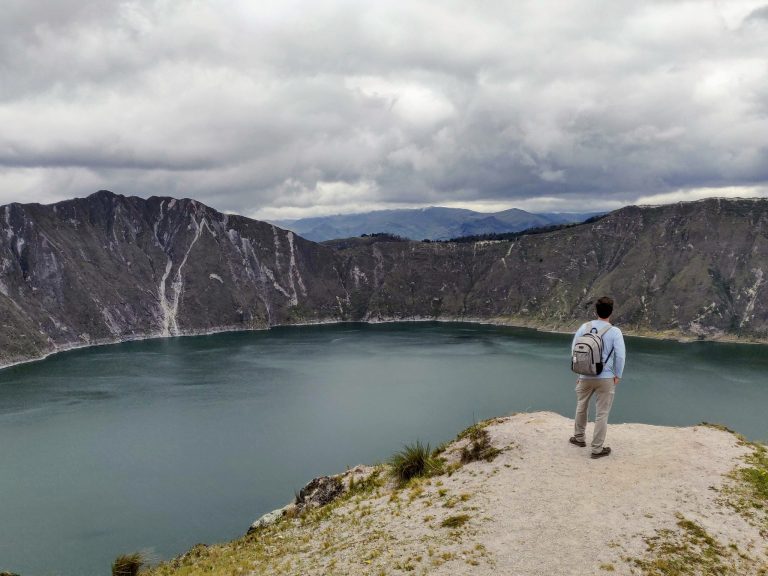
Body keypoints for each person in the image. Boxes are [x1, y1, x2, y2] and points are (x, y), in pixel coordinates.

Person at [569, 296, 626, 459]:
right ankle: (596, 449)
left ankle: (579, 438)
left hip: (584, 375)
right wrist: (617, 375)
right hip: (606, 378)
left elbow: (574, 350)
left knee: (581, 406)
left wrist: (580, 371)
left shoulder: (584, 327)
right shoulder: (615, 331)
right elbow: (620, 356)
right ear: (611, 312)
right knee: (602, 413)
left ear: (596, 311)